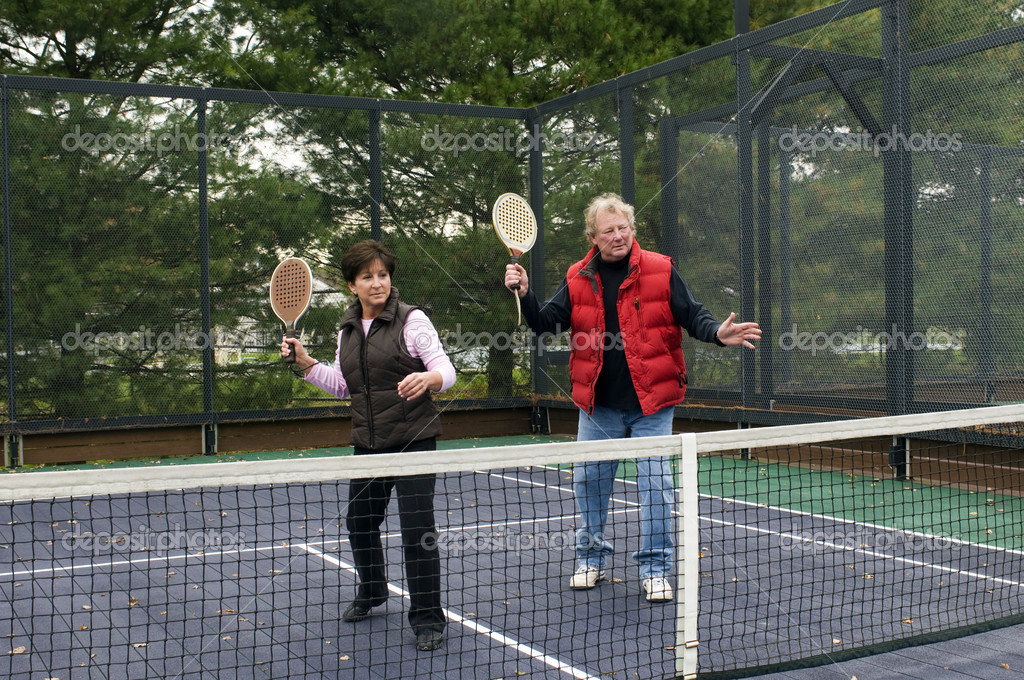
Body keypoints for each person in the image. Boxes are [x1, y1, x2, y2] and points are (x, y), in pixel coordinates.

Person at [503, 193, 760, 602]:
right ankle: (591, 559)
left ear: (632, 230)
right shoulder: (577, 277)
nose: (618, 235)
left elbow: (694, 316)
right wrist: (526, 293)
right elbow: (544, 323)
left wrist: (718, 334)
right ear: (594, 236)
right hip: (598, 408)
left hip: (652, 404)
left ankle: (655, 569)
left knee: (656, 486)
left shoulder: (661, 269)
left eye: (624, 228)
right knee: (588, 481)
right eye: (609, 230)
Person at [281, 239, 455, 651]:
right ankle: (373, 590)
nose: (377, 283)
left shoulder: (413, 321)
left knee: (417, 533)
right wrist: (306, 363)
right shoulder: (347, 331)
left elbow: (445, 370)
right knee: (359, 523)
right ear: (351, 285)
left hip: (414, 440)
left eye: (383, 274)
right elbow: (344, 386)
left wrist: (428, 379)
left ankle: (428, 618)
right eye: (367, 277)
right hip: (368, 443)